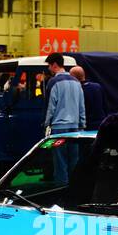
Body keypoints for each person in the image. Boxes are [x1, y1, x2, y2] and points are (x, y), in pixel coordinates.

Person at [44, 53, 85, 184]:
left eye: (49, 66)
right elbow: (81, 106)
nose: (49, 69)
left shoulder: (53, 82)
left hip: (58, 129)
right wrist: (82, 125)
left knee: (60, 162)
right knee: (74, 159)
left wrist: (46, 124)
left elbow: (51, 106)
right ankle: (74, 189)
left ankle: (61, 191)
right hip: (75, 129)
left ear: (54, 65)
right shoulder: (76, 82)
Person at [69, 65, 106, 129]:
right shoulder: (97, 86)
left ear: (73, 77)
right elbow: (105, 105)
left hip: (88, 125)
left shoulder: (78, 90)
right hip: (101, 122)